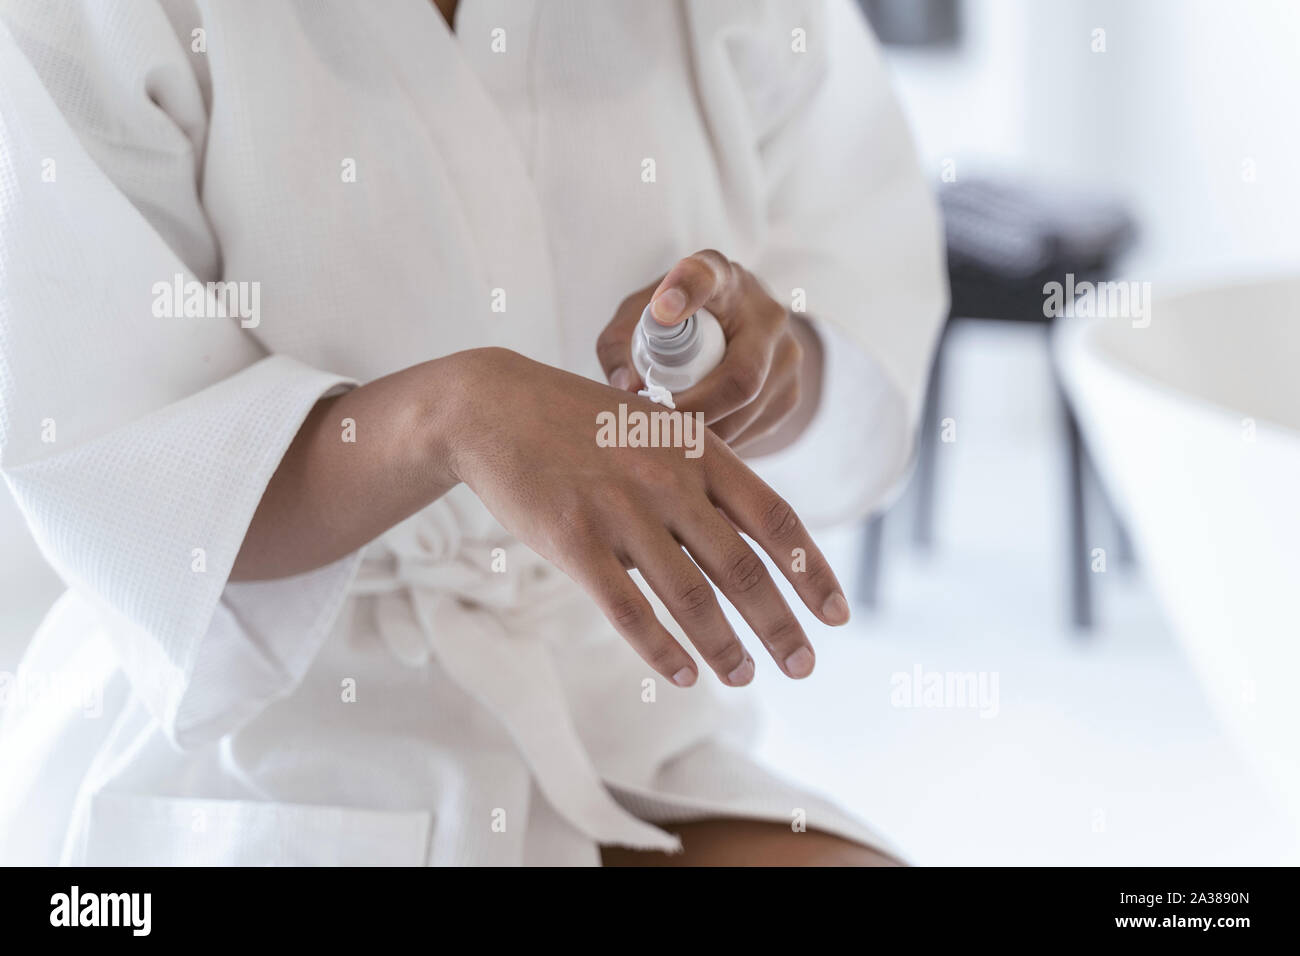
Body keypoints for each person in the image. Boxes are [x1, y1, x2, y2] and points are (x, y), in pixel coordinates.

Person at [0, 0, 946, 865]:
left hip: (615, 723)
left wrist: (772, 367)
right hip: (259, 738)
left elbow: (860, 289)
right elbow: (129, 479)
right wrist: (448, 419)